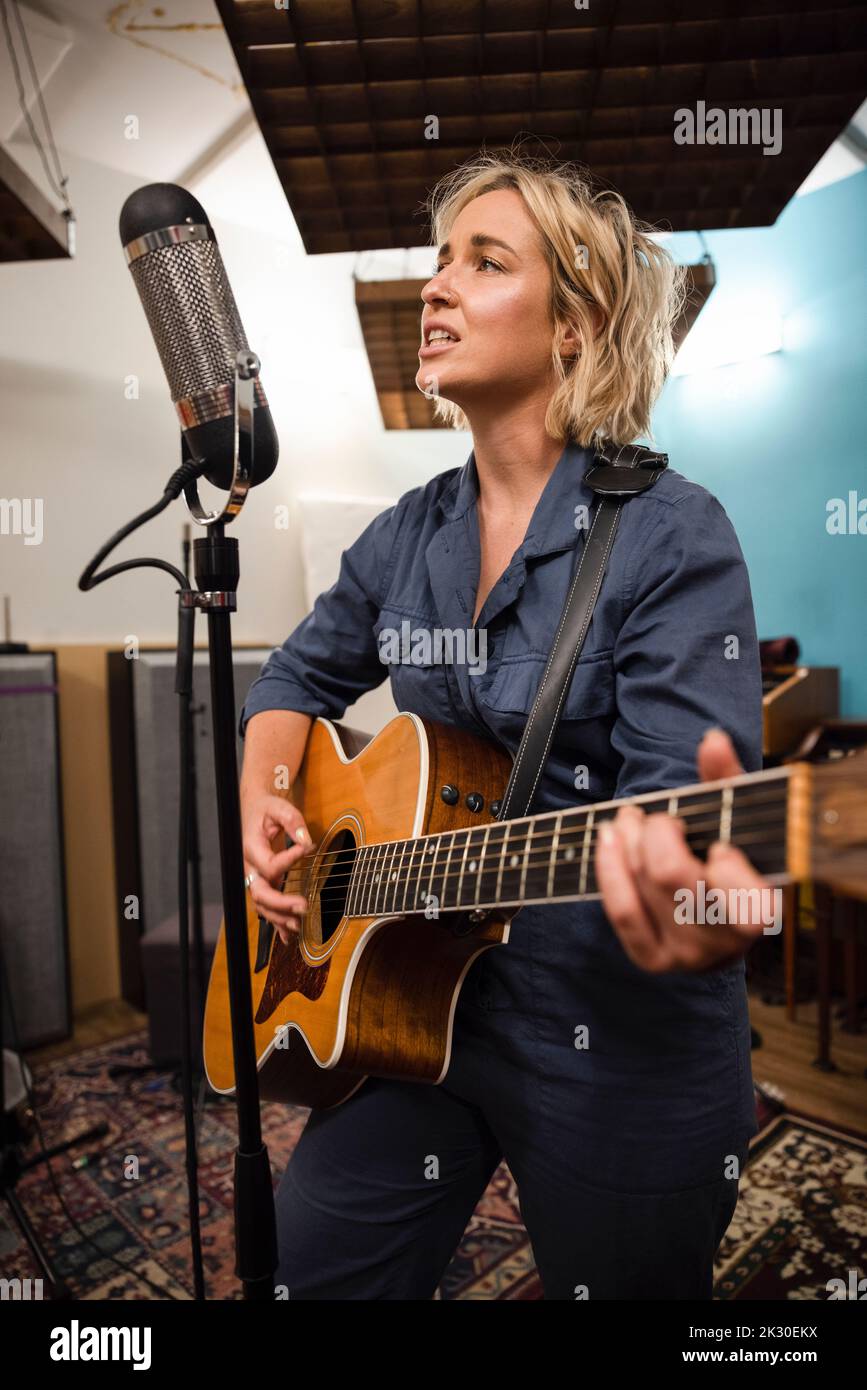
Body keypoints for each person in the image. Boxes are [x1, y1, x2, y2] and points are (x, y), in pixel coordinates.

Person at [237, 151, 767, 1300]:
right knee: (312, 1273)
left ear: (575, 325)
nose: (436, 286)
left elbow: (686, 830)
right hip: (411, 999)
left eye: (485, 262)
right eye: (440, 261)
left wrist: (693, 900)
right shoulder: (406, 534)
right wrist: (269, 812)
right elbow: (288, 680)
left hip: (617, 1039)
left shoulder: (672, 534)